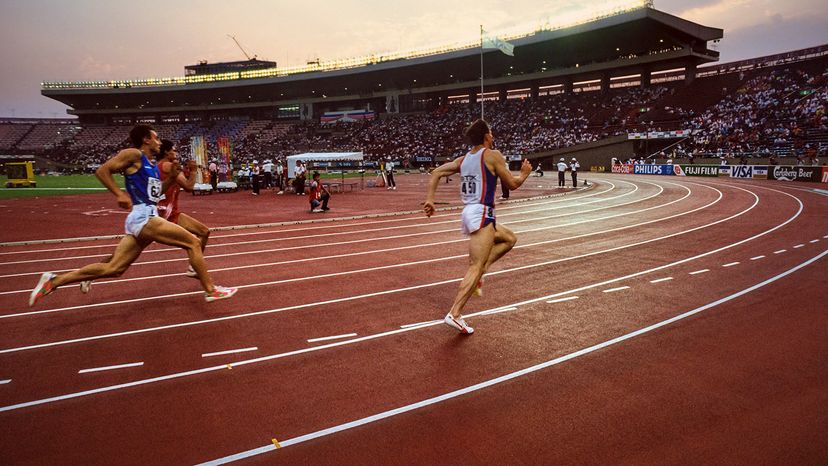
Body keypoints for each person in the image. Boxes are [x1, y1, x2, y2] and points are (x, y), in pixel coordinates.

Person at [29, 125, 237, 306]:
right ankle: (210, 290)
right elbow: (103, 171)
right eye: (155, 137)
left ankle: (54, 281)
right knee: (192, 242)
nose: (158, 142)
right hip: (143, 217)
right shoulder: (134, 154)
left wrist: (172, 178)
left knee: (115, 268)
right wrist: (119, 194)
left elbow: (155, 194)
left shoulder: (151, 166)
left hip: (147, 215)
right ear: (146, 139)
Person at [423, 119, 532, 334]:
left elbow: (436, 173)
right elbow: (512, 184)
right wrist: (525, 174)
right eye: (491, 132)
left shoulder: (463, 160)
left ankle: (481, 272)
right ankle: (454, 313)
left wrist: (430, 199)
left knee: (509, 239)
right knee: (474, 265)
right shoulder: (492, 155)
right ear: (486, 136)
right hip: (481, 212)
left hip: (473, 213)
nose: (493, 136)